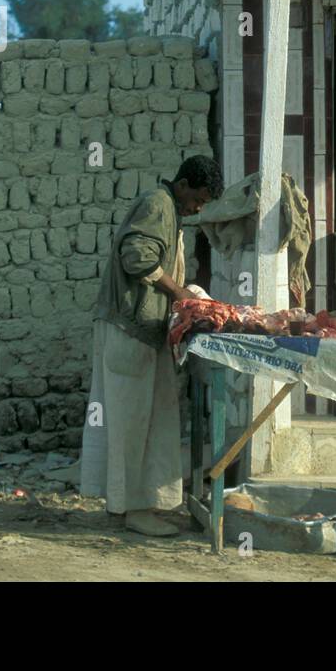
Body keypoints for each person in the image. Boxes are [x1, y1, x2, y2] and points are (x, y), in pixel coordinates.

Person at [80, 155, 223, 536]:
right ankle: (133, 510)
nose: (198, 208)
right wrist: (180, 295)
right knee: (131, 423)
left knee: (145, 420)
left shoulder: (169, 209)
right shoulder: (157, 204)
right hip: (129, 331)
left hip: (142, 332)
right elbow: (136, 258)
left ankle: (132, 505)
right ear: (184, 185)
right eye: (199, 199)